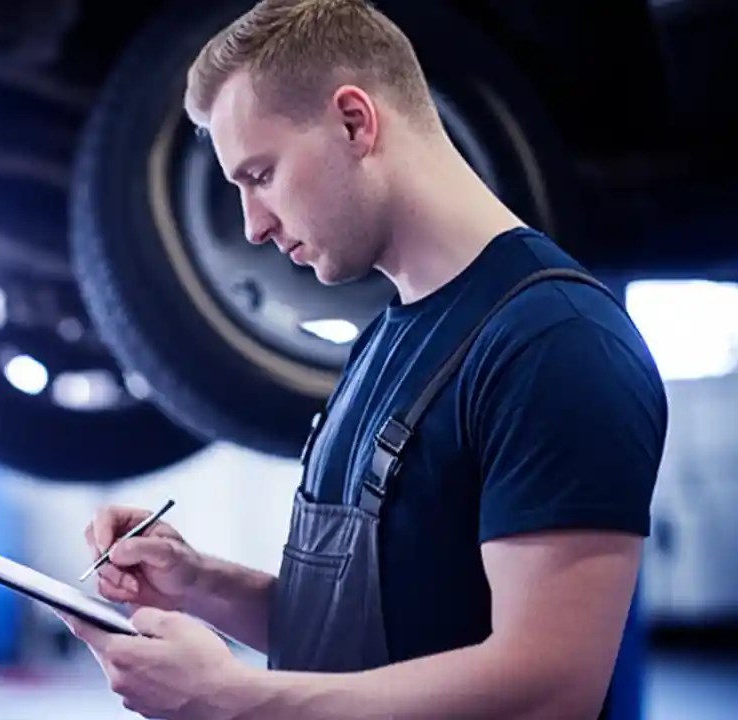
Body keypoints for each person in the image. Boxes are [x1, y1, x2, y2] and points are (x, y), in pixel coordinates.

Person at [57, 1, 668, 718]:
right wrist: (197, 583)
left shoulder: (558, 344)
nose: (253, 225)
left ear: (354, 122)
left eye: (261, 174)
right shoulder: (384, 343)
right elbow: (369, 632)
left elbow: (550, 689)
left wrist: (232, 697)